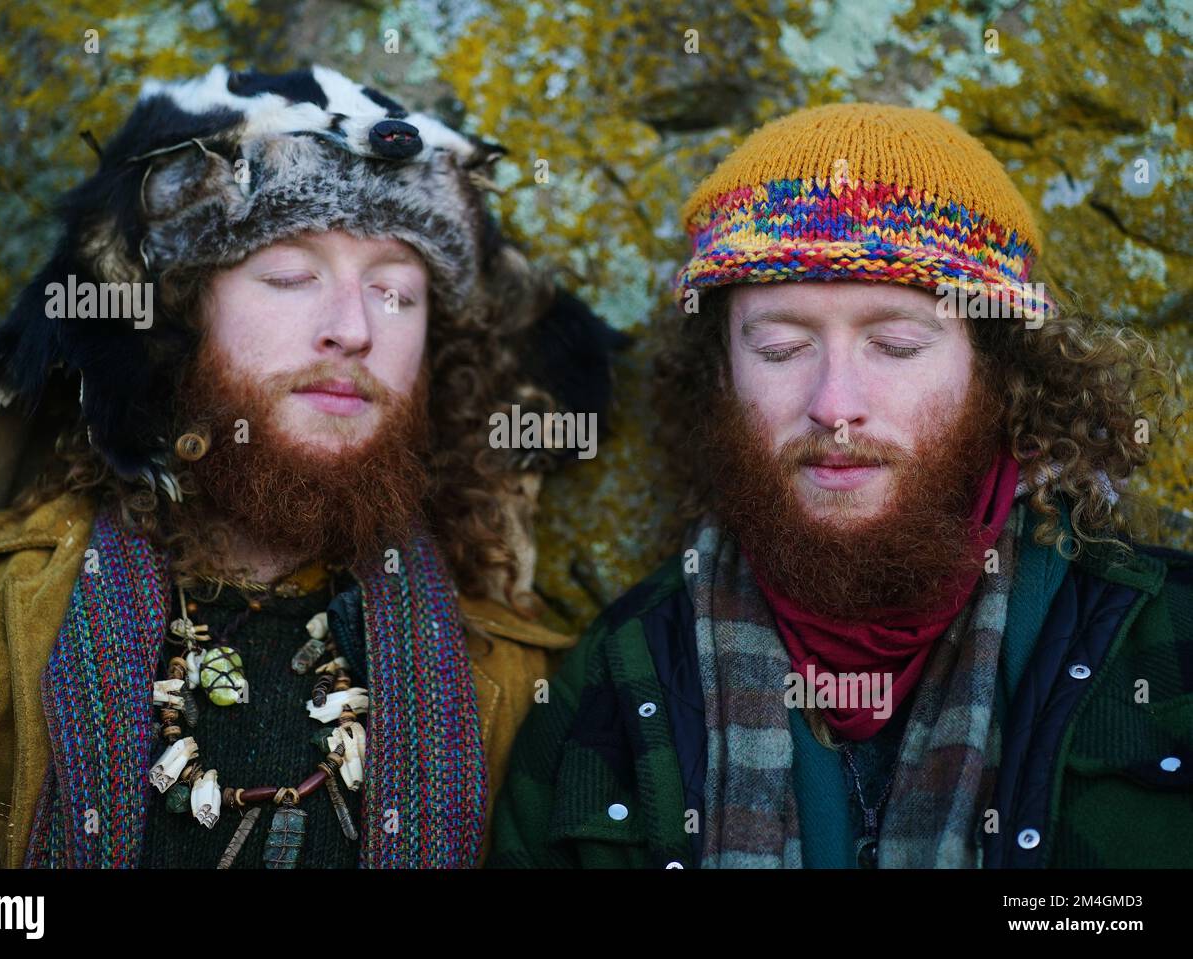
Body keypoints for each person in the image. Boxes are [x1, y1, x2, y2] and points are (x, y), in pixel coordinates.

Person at [0, 63, 619, 869]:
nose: (352, 329)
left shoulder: (523, 686)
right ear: (178, 313)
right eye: (288, 276)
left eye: (395, 293)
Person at [491, 102, 1193, 869]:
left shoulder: (1168, 647)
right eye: (781, 347)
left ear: (998, 369)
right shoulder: (614, 685)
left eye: (895, 344)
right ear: (720, 374)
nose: (834, 405)